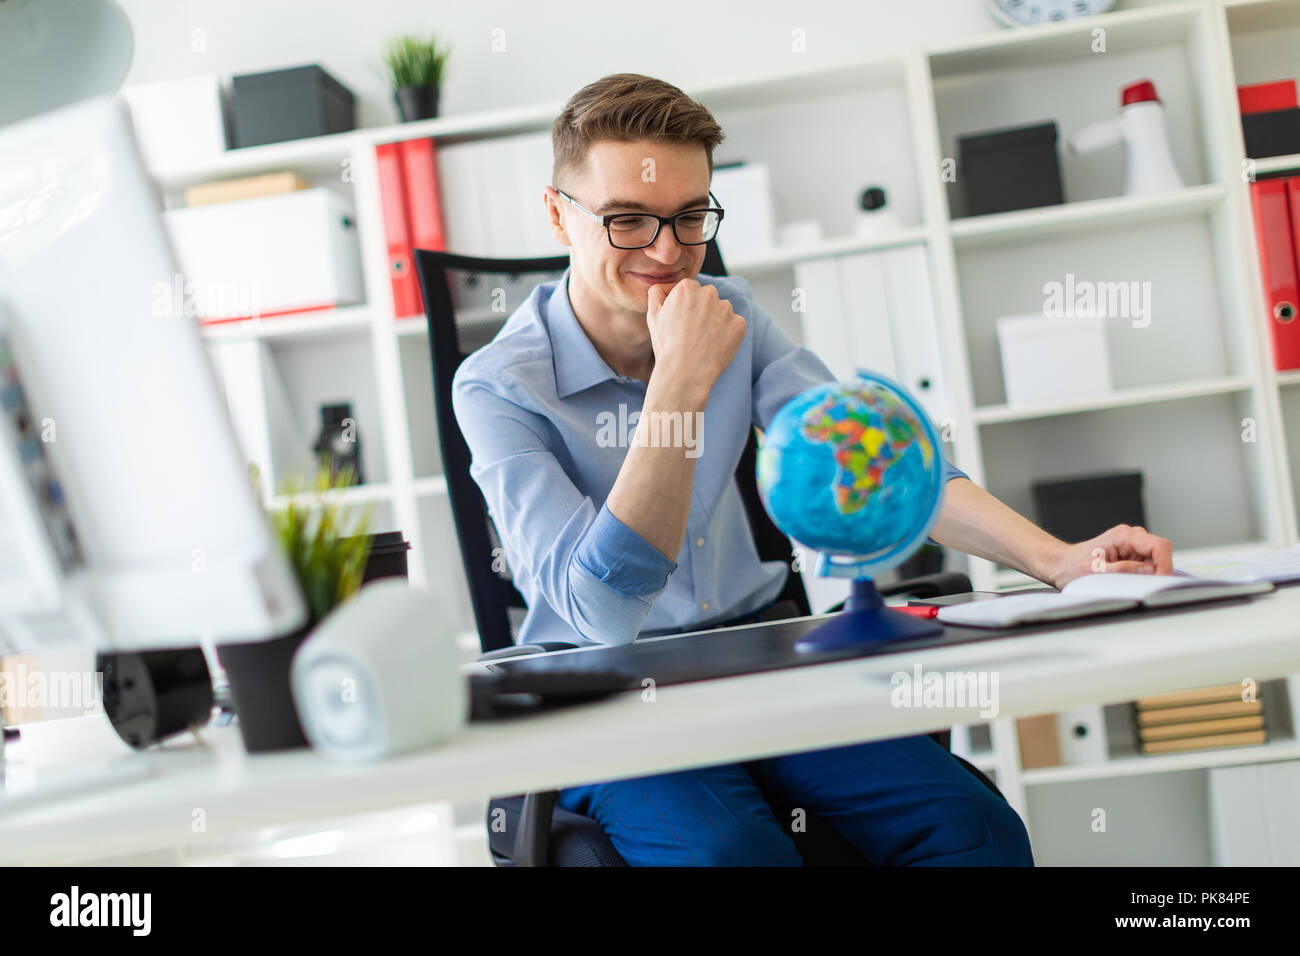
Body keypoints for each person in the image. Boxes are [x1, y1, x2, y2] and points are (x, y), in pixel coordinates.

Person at [452, 73, 1174, 866]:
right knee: (734, 853)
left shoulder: (731, 316)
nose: (667, 252)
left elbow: (876, 458)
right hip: (602, 691)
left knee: (976, 828)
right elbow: (602, 612)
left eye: (690, 217)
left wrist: (1059, 560)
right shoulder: (497, 385)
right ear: (558, 213)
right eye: (627, 221)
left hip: (756, 659)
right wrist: (679, 386)